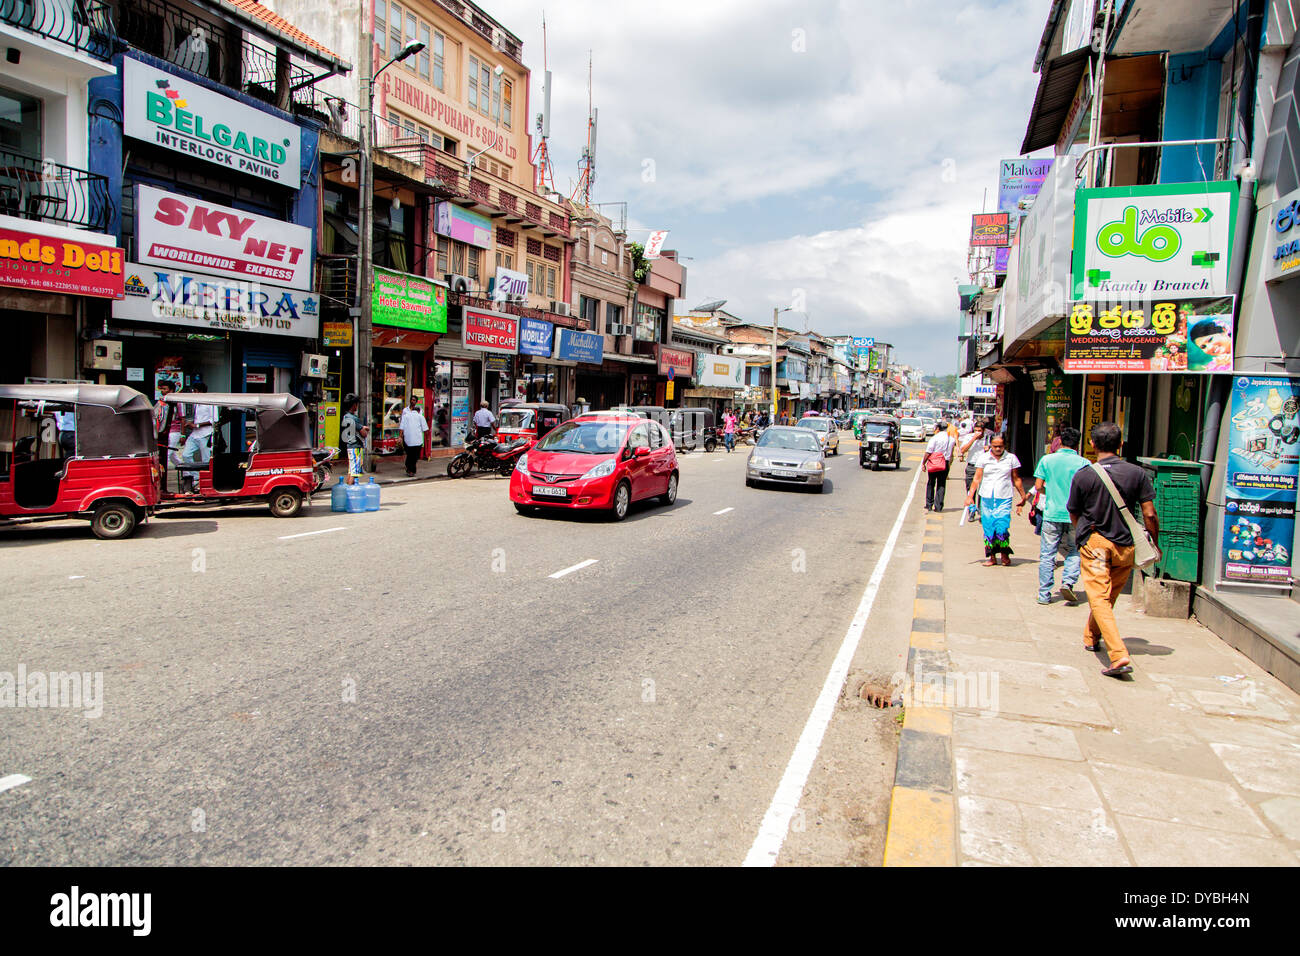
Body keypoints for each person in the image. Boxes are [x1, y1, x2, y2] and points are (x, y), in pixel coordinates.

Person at [1067, 421, 1159, 679]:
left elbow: (1073, 511)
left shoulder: (1084, 475)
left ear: (1092, 444)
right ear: (1120, 444)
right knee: (1106, 598)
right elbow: (1149, 514)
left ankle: (1118, 655)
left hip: (1096, 544)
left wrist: (1084, 535)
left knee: (1099, 598)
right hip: (1125, 547)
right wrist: (1155, 541)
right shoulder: (1136, 473)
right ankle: (1091, 635)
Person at [1023, 425, 1086, 606]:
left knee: (1048, 554)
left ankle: (1044, 593)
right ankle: (1068, 582)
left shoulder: (1047, 460)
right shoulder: (1084, 463)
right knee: (1075, 549)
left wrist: (1050, 492)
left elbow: (1038, 486)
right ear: (1077, 444)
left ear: (1060, 441)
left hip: (1051, 513)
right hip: (1075, 515)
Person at [965, 434, 1026, 566]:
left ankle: (1004, 555)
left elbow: (1016, 479)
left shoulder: (1011, 458)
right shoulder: (983, 458)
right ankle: (992, 557)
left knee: (1001, 528)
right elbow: (977, 479)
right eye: (995, 446)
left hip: (1004, 498)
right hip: (986, 498)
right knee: (989, 528)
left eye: (1000, 446)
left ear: (1005, 446)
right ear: (991, 445)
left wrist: (1023, 496)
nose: (998, 449)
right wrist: (970, 496)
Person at [181, 383, 216, 492]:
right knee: (186, 454)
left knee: (206, 459)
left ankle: (207, 482)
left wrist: (197, 425)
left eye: (194, 391)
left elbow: (214, 420)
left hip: (205, 434)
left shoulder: (210, 403)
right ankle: (196, 477)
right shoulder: (196, 403)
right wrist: (191, 424)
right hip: (195, 434)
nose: (193, 393)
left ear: (198, 391)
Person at [923, 421, 957, 512]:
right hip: (945, 463)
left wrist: (923, 463)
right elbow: (951, 453)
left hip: (934, 462)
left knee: (931, 483)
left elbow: (928, 452)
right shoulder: (951, 439)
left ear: (938, 428)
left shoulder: (934, 438)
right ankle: (938, 506)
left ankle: (929, 504)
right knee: (941, 484)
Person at [958, 422, 988, 515]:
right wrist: (973, 439)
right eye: (975, 430)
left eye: (979, 431)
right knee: (970, 489)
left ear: (983, 431)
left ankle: (981, 510)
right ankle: (971, 510)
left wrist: (988, 449)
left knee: (983, 490)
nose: (977, 432)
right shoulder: (969, 437)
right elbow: (963, 450)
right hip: (972, 465)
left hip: (984, 467)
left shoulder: (988, 438)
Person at [340, 393, 368, 485]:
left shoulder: (346, 416)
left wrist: (362, 427)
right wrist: (365, 429)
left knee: (351, 471)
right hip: (356, 447)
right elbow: (364, 434)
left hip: (350, 446)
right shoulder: (354, 418)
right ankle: (350, 490)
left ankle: (348, 489)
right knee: (354, 473)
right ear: (354, 405)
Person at [399, 395, 428, 478]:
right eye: (411, 399)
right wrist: (426, 439)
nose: (412, 401)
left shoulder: (407, 416)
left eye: (414, 400)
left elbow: (401, 427)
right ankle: (411, 470)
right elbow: (425, 429)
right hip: (417, 440)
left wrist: (400, 437)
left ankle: (410, 469)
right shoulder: (407, 412)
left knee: (410, 455)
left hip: (408, 439)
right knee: (414, 456)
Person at [153, 381, 174, 486]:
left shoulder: (172, 403)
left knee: (164, 459)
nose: (162, 391)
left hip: (167, 434)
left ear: (171, 390)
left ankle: (163, 486)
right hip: (160, 435)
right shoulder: (161, 403)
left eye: (165, 389)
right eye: (161, 389)